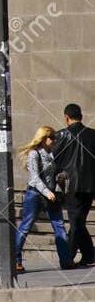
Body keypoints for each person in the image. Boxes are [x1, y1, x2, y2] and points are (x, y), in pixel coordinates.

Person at [14, 124, 71, 274]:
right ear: (43, 138)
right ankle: (15, 260)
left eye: (54, 138)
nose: (54, 140)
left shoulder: (51, 154)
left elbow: (55, 173)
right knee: (26, 226)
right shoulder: (34, 154)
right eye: (51, 137)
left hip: (52, 194)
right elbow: (34, 177)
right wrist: (46, 192)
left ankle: (66, 261)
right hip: (35, 194)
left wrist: (61, 178)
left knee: (59, 226)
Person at [54, 103, 95, 268]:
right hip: (90, 186)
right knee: (79, 220)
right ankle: (89, 254)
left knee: (76, 221)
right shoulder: (93, 135)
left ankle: (68, 256)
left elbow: (53, 160)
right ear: (81, 117)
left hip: (71, 186)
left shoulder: (61, 135)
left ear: (66, 118)